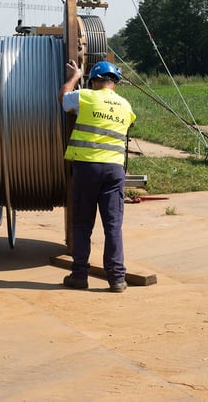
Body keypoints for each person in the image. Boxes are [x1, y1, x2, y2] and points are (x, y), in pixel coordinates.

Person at [58, 59, 136, 293]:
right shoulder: (126, 106)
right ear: (115, 83)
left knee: (82, 223)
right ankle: (117, 279)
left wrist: (74, 76)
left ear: (93, 81)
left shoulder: (86, 97)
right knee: (113, 225)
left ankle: (80, 275)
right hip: (114, 170)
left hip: (87, 167)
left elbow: (63, 98)